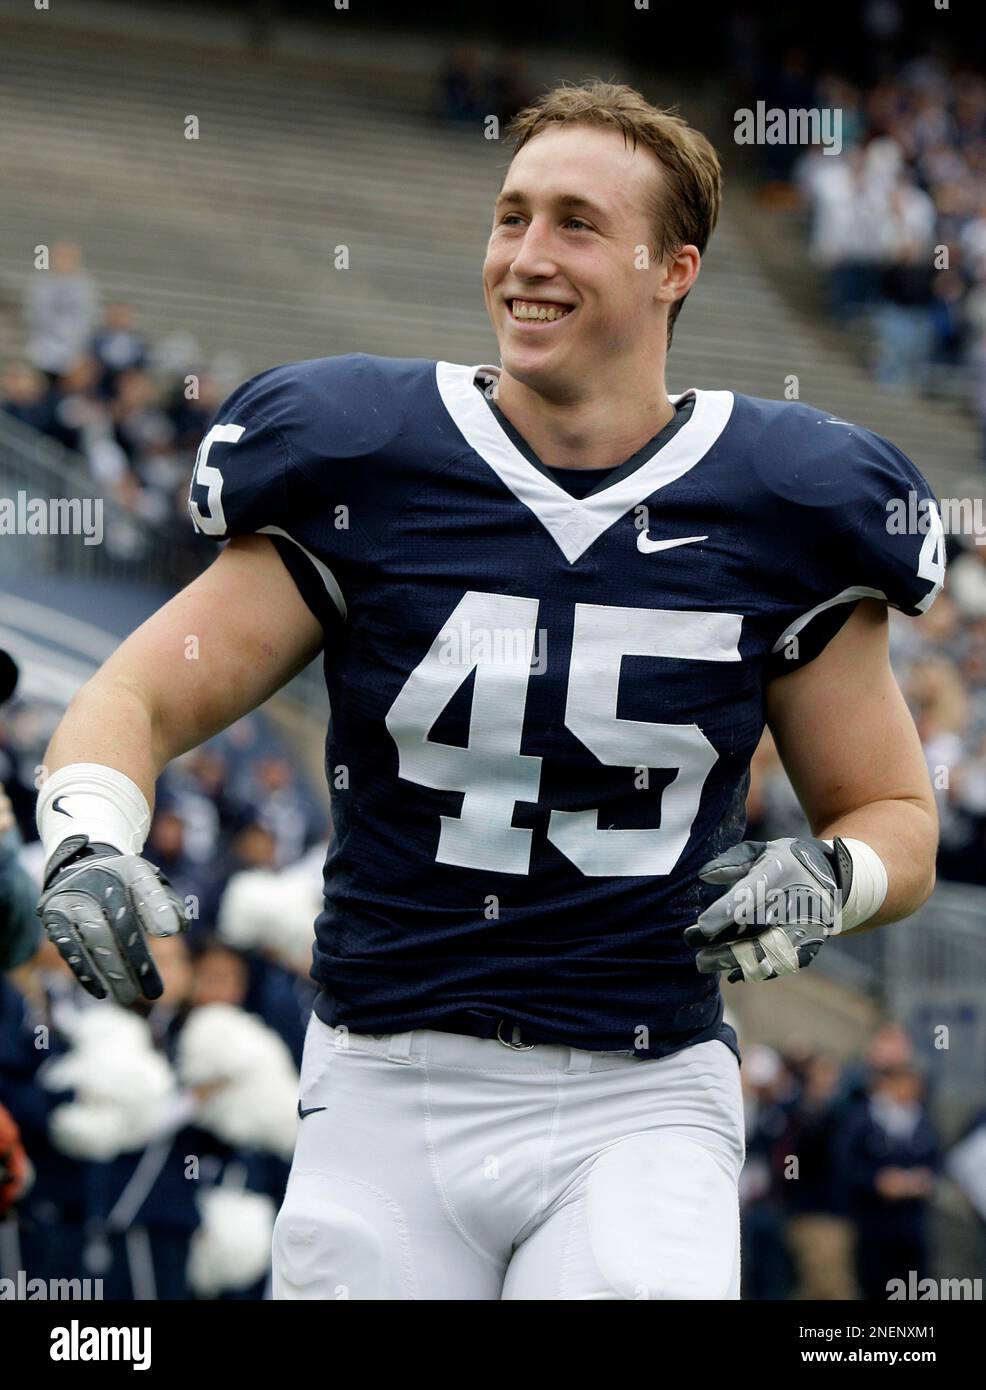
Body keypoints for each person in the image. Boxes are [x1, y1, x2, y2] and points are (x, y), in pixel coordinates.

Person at [34, 81, 943, 1301]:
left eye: (574, 222)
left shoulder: (780, 501)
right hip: (384, 1080)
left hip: (644, 1085)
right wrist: (87, 835)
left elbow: (892, 809)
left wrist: (832, 877)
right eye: (510, 216)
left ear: (673, 267)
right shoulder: (373, 458)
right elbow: (135, 700)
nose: (525, 255)